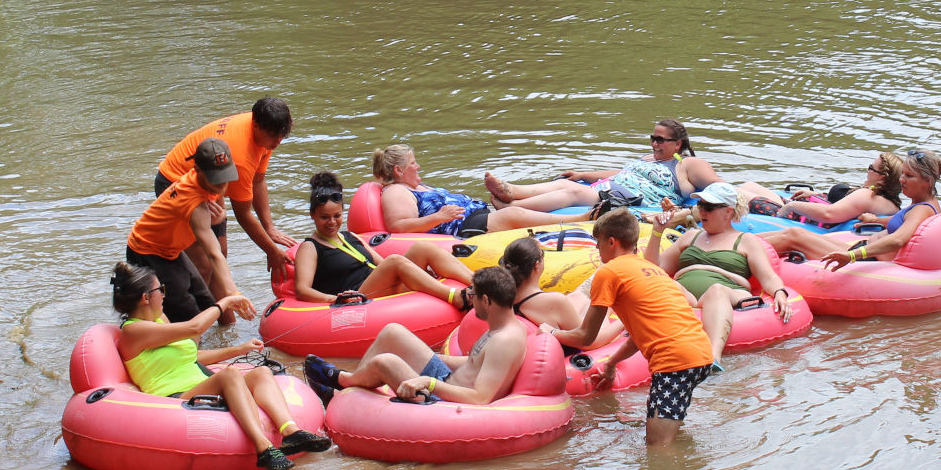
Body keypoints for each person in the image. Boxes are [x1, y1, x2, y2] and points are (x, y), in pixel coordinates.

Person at [110, 260, 328, 470]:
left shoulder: (160, 320)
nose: (164, 295)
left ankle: (290, 431)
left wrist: (237, 350)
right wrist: (224, 303)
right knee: (230, 375)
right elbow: (195, 327)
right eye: (161, 289)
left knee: (261, 373)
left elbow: (189, 357)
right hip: (174, 397)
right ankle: (264, 449)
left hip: (201, 386)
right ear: (146, 298)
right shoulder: (133, 331)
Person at [544, 208, 715, 446]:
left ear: (611, 242)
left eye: (598, 242)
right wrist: (612, 363)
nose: (596, 248)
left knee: (657, 449)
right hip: (698, 354)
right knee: (666, 434)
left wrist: (550, 333)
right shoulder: (652, 270)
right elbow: (642, 333)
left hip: (674, 363)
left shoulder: (609, 272)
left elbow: (586, 336)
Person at [304, 267, 527, 405]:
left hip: (446, 401)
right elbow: (474, 363)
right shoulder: (499, 326)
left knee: (386, 362)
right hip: (448, 381)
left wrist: (428, 383)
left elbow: (480, 398)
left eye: (474, 295)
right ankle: (354, 387)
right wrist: (430, 357)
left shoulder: (505, 341)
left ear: (487, 300)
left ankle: (344, 384)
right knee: (393, 332)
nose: (471, 300)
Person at [645, 182, 793, 364]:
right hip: (688, 297)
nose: (702, 212)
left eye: (709, 207)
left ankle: (713, 357)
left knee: (716, 290)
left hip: (728, 292)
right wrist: (657, 233)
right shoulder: (691, 236)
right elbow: (653, 268)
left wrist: (779, 292)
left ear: (728, 212)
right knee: (665, 284)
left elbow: (768, 276)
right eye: (700, 206)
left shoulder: (746, 241)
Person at [156, 97, 297, 283]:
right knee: (205, 263)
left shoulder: (267, 134)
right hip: (177, 183)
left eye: (282, 135)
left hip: (211, 186)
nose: (278, 142)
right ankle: (192, 307)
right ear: (255, 124)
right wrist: (272, 251)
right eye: (274, 136)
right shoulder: (242, 157)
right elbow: (243, 215)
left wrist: (269, 227)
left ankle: (219, 306)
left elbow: (258, 180)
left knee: (220, 255)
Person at [292, 171, 475, 308]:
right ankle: (456, 297)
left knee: (423, 248)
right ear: (312, 215)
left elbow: (380, 263)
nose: (332, 222)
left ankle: (478, 283)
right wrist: (335, 299)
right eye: (325, 217)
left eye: (337, 215)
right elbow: (302, 290)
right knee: (395, 261)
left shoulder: (350, 237)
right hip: (357, 294)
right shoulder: (310, 247)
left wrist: (418, 274)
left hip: (379, 282)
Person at [127, 137, 255, 323]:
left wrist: (216, 217)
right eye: (216, 180)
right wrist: (232, 292)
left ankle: (219, 340)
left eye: (225, 178)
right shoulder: (195, 204)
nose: (221, 186)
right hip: (147, 251)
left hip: (170, 249)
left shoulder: (203, 185)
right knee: (189, 317)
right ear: (197, 171)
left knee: (206, 301)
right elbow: (214, 253)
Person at [481, 119, 723, 212]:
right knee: (568, 182)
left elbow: (717, 185)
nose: (654, 143)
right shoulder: (649, 159)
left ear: (678, 143)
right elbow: (622, 173)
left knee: (574, 192)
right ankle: (513, 191)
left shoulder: (688, 164)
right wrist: (583, 173)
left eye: (660, 140)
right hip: (615, 187)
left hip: (637, 201)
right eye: (652, 138)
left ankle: (514, 208)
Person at [373, 144, 578, 238]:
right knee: (513, 213)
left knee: (520, 205)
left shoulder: (415, 186)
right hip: (466, 229)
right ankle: (584, 219)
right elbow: (398, 226)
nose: (418, 166)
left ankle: (515, 197)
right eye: (413, 163)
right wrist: (439, 216)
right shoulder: (396, 191)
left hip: (478, 216)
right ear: (398, 170)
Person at [797, 148, 941, 269]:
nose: (901, 180)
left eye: (909, 176)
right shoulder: (926, 204)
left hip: (867, 259)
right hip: (868, 252)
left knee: (794, 236)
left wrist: (852, 255)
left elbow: (898, 239)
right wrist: (875, 219)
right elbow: (905, 223)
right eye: (902, 174)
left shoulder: (922, 209)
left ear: (927, 181)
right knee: (796, 236)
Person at [498, 236, 626, 343]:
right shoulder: (554, 301)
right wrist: (623, 321)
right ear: (537, 265)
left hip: (556, 320)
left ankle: (605, 268)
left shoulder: (504, 294)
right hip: (575, 341)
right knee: (595, 303)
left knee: (578, 296)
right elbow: (588, 340)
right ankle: (610, 268)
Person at [737, 152, 904, 226]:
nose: (867, 170)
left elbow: (828, 214)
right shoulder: (891, 203)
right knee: (749, 185)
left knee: (739, 193)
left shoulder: (868, 195)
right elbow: (846, 204)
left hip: (804, 219)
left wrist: (792, 206)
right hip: (809, 214)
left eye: (871, 168)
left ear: (882, 177)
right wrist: (816, 195)